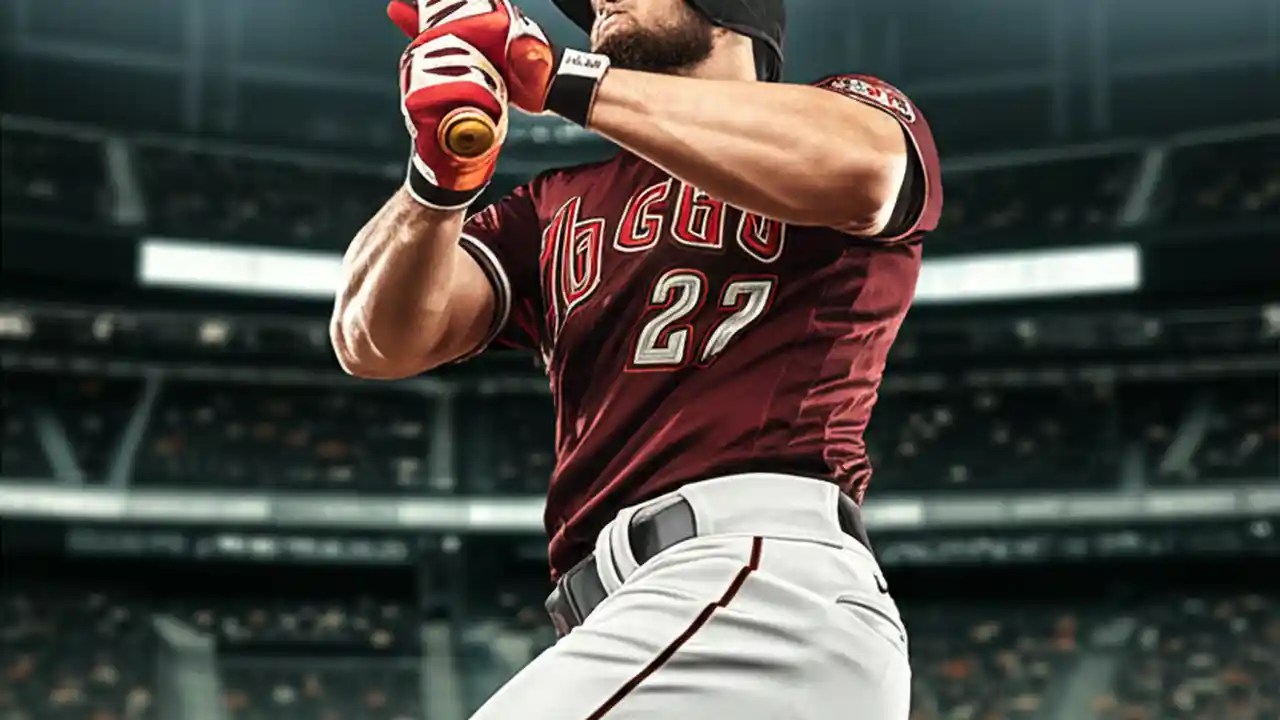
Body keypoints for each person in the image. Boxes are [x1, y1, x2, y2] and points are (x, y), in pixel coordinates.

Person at [332, 0, 943, 716]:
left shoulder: (843, 112)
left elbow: (866, 169)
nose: (596, 5)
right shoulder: (555, 202)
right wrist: (437, 182)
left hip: (757, 584)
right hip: (660, 616)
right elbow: (372, 339)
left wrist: (553, 74)